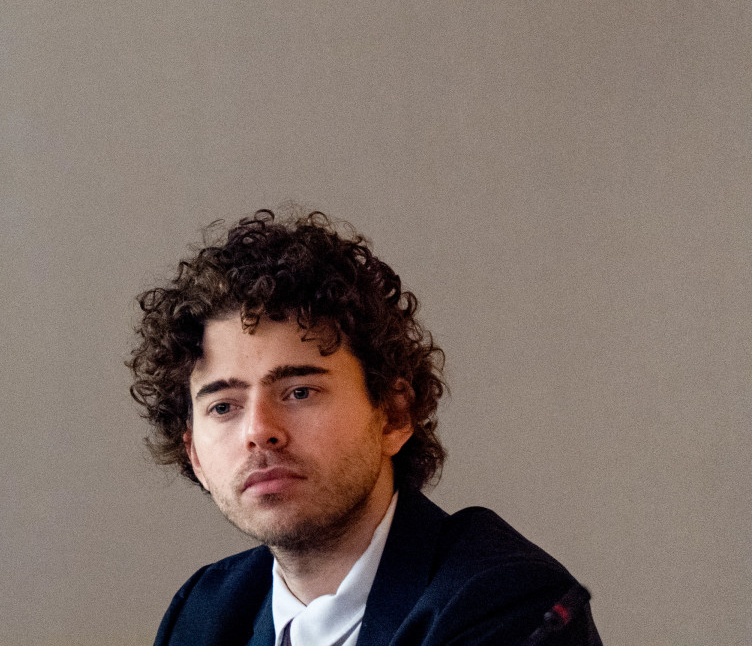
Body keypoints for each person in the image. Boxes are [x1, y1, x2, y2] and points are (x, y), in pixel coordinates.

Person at [128, 210, 601, 646]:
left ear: (394, 415)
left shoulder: (506, 601)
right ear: (194, 454)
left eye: (299, 392)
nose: (259, 430)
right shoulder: (205, 613)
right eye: (223, 407)